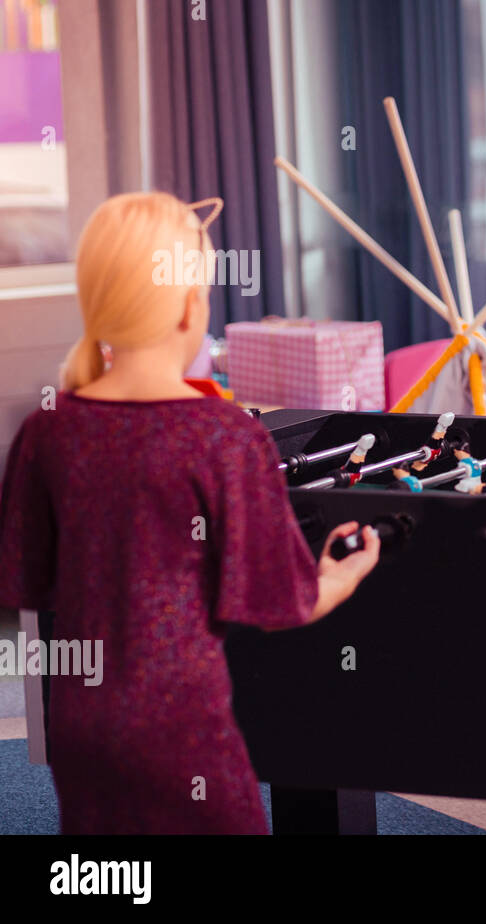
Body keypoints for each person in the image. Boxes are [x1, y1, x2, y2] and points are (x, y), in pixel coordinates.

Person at [0, 192, 380, 834]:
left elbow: (25, 582)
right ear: (187, 303)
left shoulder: (46, 431)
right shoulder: (224, 436)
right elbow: (283, 600)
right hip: (180, 726)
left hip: (81, 725)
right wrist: (341, 576)